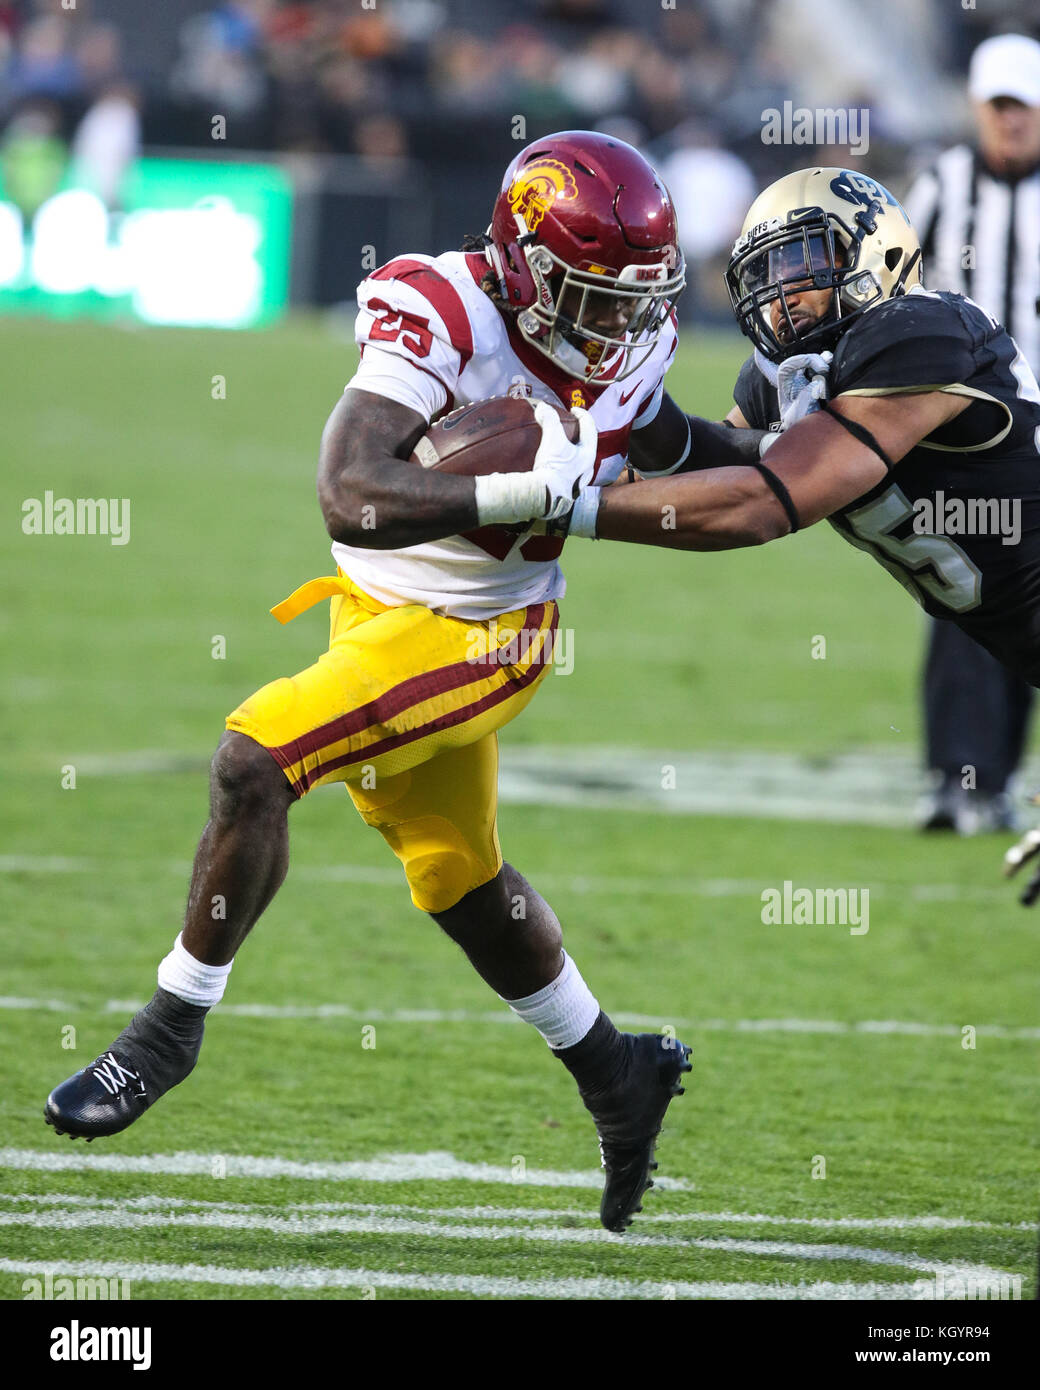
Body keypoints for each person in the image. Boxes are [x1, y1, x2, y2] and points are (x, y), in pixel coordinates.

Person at [43, 131, 693, 1236]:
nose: (616, 328)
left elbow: (663, 439)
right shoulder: (439, 306)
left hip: (482, 636)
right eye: (589, 298)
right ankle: (612, 1069)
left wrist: (796, 459)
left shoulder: (625, 340)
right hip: (377, 608)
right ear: (522, 260)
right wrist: (508, 491)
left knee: (257, 756)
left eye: (630, 303)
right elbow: (348, 490)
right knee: (457, 875)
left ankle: (168, 1023)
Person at [545, 167, 1040, 700]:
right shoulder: (792, 371)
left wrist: (554, 509)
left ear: (876, 251)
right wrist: (600, 431)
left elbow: (762, 502)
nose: (781, 290)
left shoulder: (922, 334)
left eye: (802, 260)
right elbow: (695, 469)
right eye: (764, 272)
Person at [902, 33, 1040, 835]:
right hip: (961, 436)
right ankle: (955, 779)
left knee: (1023, 598)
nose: (1011, 122)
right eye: (1000, 107)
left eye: (1024, 107)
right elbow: (895, 289)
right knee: (960, 594)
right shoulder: (940, 186)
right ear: (979, 110)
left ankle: (994, 780)